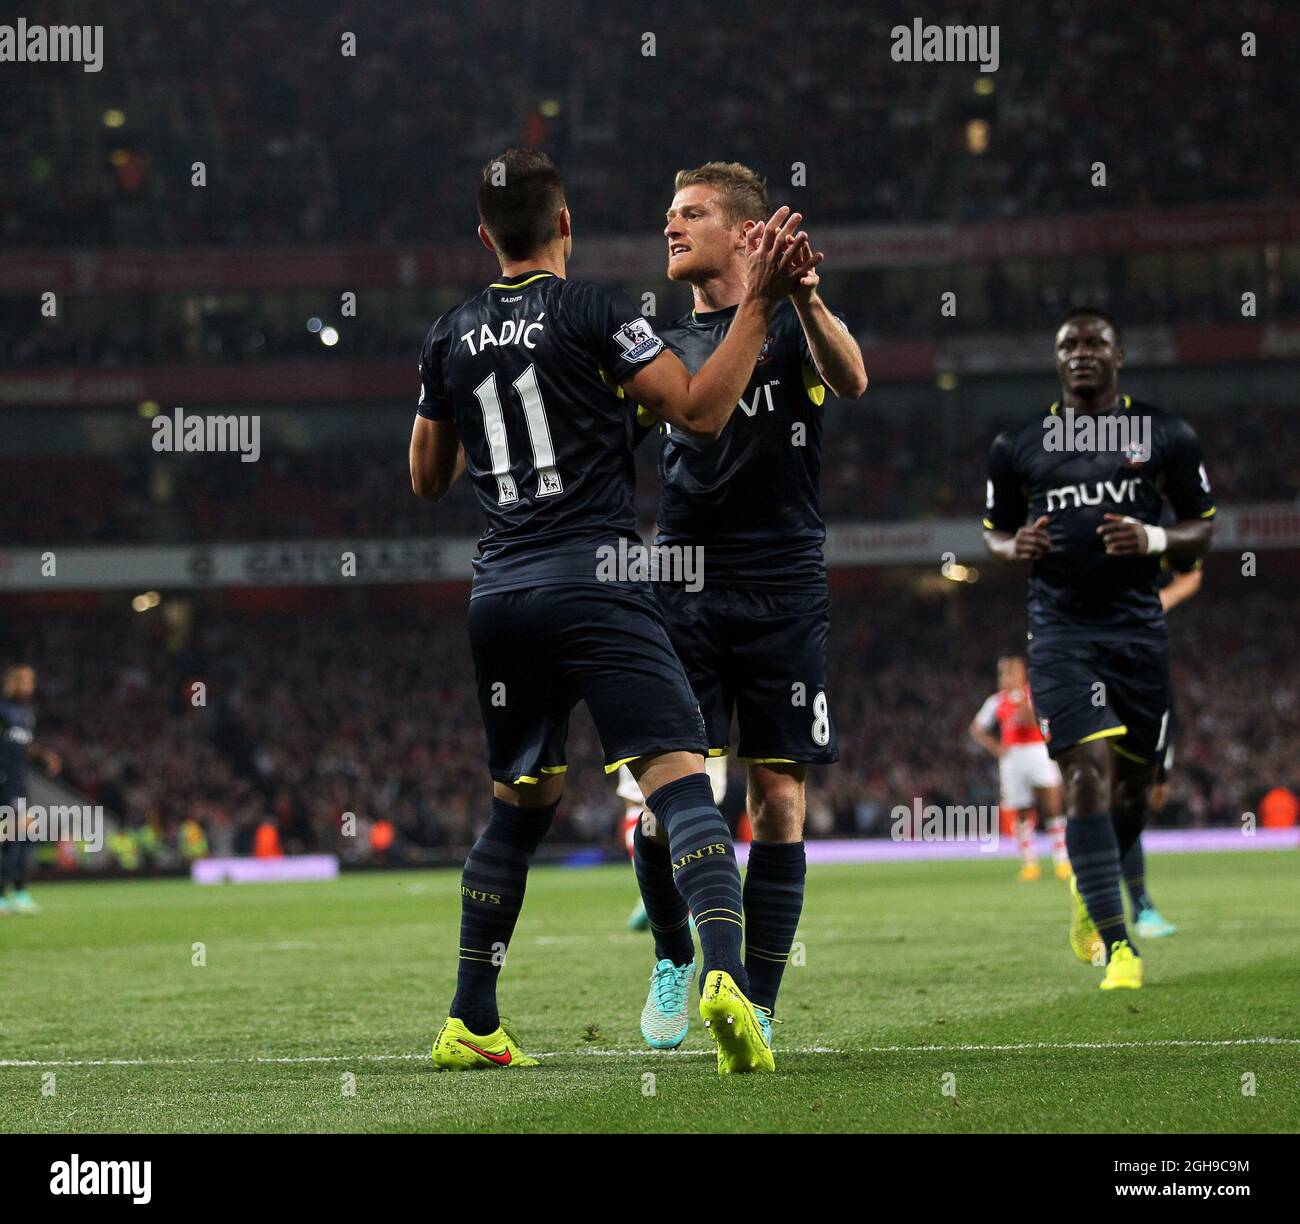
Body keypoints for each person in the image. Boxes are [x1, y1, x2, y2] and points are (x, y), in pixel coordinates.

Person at [410, 149, 819, 1073]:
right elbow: (700, 414)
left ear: (484, 238)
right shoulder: (600, 311)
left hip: (499, 594)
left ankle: (472, 1017)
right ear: (565, 224)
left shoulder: (449, 331)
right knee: (684, 781)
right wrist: (757, 306)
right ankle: (726, 978)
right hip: (595, 579)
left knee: (518, 809)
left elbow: (427, 479)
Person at [628, 162, 866, 1053]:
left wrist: (804, 294)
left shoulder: (794, 327)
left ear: (743, 232)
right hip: (684, 581)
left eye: (690, 214)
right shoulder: (654, 344)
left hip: (785, 584)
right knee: (670, 799)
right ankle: (670, 955)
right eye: (669, 213)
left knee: (778, 800)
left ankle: (756, 1005)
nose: (671, 227)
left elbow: (853, 380)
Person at [982, 308, 1215, 990]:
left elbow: (1202, 528)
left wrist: (1155, 540)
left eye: (1094, 343)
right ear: (1058, 360)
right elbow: (993, 533)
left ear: (1119, 354)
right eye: (1069, 345)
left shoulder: (1166, 435)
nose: (1081, 353)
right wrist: (1012, 546)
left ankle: (1096, 883)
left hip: (1138, 633)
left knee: (1135, 793)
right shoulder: (1019, 444)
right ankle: (1118, 945)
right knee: (1085, 770)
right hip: (1060, 635)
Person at [969, 654, 1067, 882]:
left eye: (1011, 672)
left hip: (1038, 751)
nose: (1006, 677)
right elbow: (976, 728)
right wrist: (997, 748)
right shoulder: (996, 701)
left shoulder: (1035, 696)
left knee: (1052, 806)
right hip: (1012, 757)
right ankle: (1029, 863)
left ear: (1023, 674)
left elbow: (1044, 722)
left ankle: (1062, 861)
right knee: (1021, 809)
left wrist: (1025, 705)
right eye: (1003, 673)